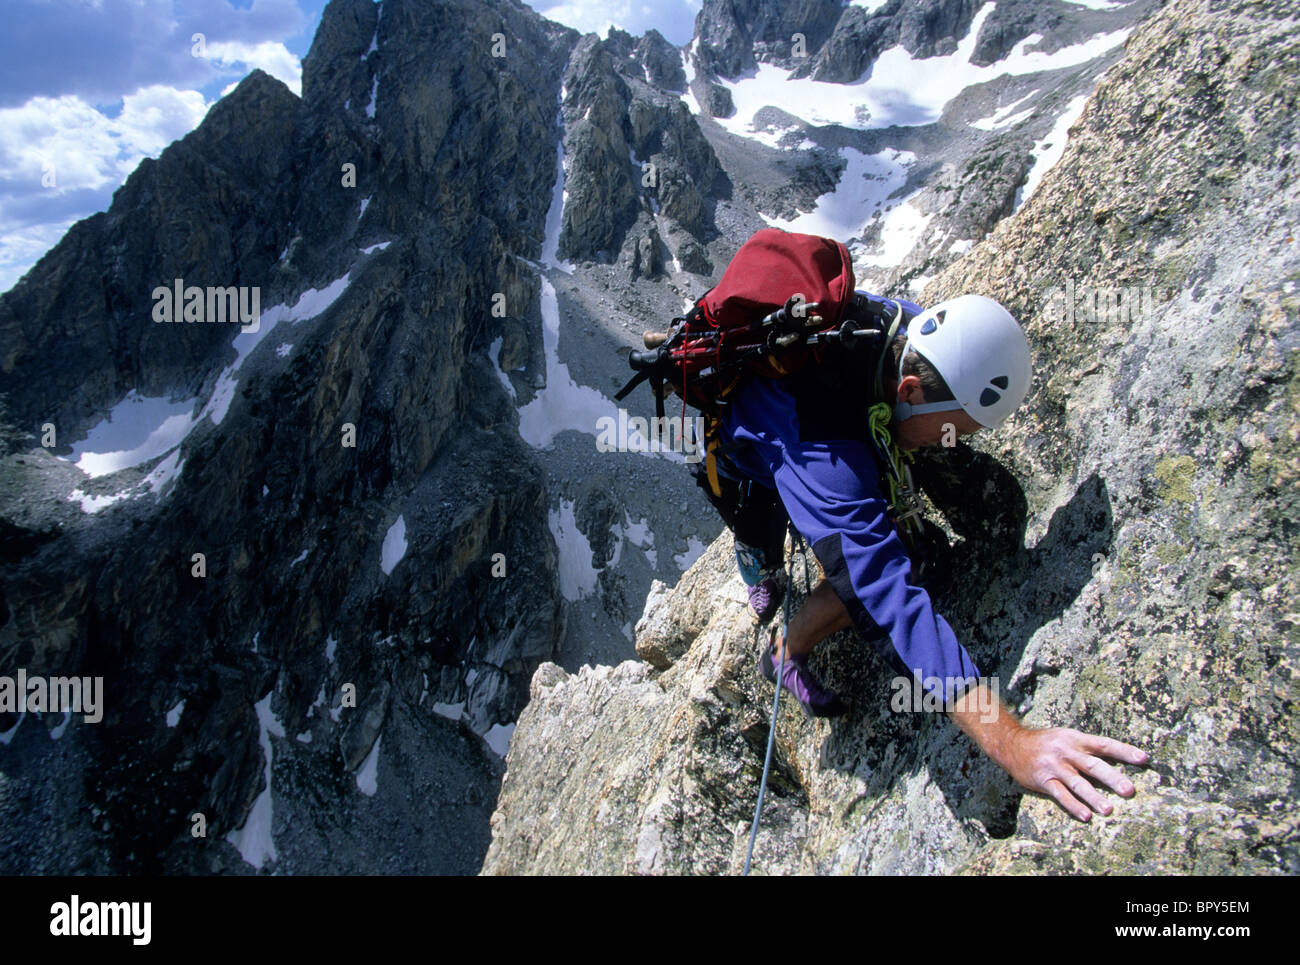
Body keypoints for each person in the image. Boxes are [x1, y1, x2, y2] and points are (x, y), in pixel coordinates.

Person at [694, 291, 1149, 822]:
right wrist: (1011, 741)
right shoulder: (824, 458)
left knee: (890, 547)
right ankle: (780, 646)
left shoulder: (903, 330)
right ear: (908, 389)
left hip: (823, 422)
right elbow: (888, 601)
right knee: (780, 542)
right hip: (745, 456)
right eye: (953, 428)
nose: (952, 442)